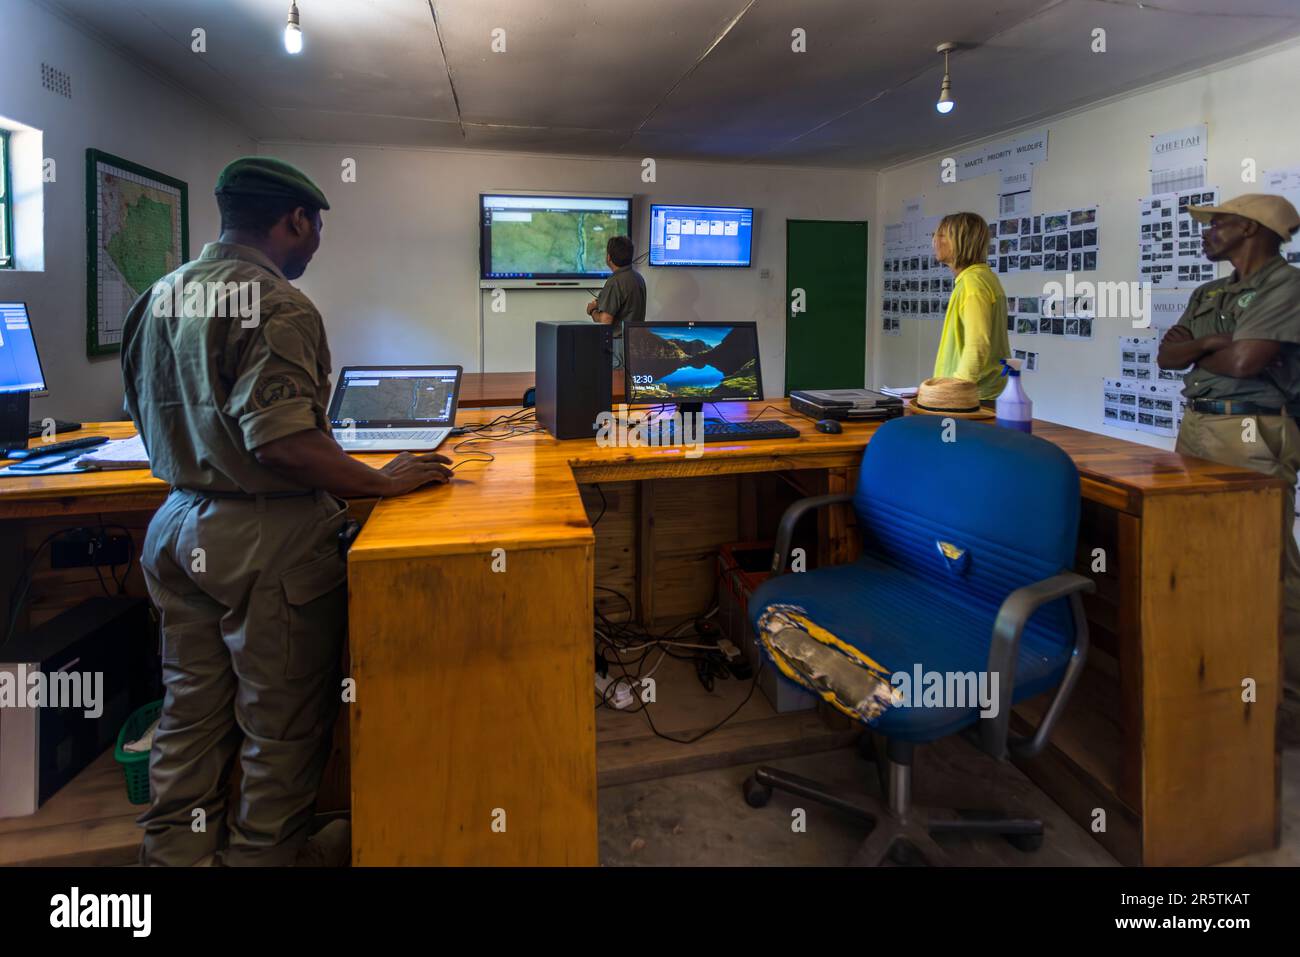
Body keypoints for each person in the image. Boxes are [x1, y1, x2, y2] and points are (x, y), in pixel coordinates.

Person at [121, 157, 454, 867]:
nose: (315, 243)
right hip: (263, 540)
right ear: (296, 220)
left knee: (189, 716)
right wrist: (379, 484)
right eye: (317, 227)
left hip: (179, 526)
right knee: (281, 728)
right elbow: (284, 446)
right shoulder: (279, 304)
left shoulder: (159, 296)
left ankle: (172, 860)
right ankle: (266, 857)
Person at [1156, 193, 1300, 700]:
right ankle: (1218, 672)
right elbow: (1167, 355)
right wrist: (1207, 346)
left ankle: (1285, 697)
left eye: (1218, 222)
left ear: (1251, 229)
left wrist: (1208, 351)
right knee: (1198, 551)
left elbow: (1245, 363)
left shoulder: (1286, 285)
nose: (1207, 230)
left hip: (1250, 434)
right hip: (1197, 426)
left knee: (1264, 561)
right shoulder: (1211, 291)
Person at [931, 212, 1010, 402]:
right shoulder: (983, 277)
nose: (934, 240)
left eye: (942, 235)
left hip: (970, 397)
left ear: (961, 242)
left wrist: (956, 390)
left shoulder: (973, 284)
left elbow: (978, 344)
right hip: (979, 393)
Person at [585, 234, 646, 369]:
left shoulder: (615, 281)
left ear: (609, 257)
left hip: (618, 347)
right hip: (636, 344)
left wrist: (592, 310)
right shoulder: (638, 278)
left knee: (615, 388)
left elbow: (605, 321)